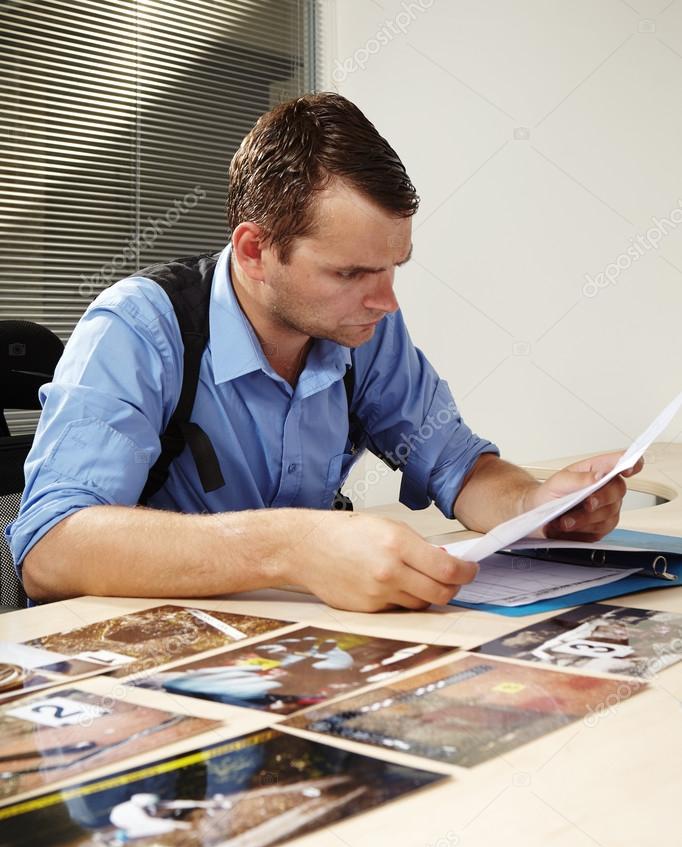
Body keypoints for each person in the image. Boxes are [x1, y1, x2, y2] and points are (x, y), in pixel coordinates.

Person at [9, 93, 641, 613]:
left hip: (291, 649)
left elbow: (458, 466)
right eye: (349, 273)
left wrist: (536, 506)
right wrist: (292, 546)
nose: (385, 301)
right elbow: (49, 550)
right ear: (255, 251)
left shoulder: (361, 328)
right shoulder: (141, 328)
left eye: (393, 268)